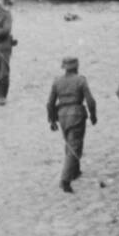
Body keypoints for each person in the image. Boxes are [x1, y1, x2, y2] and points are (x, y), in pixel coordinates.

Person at [46, 56, 97, 193]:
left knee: (69, 143)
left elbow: (50, 103)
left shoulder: (57, 81)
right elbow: (90, 101)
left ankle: (75, 171)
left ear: (64, 68)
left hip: (62, 116)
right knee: (75, 146)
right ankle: (65, 180)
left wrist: (51, 120)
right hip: (76, 115)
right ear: (77, 67)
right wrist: (93, 116)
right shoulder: (81, 80)